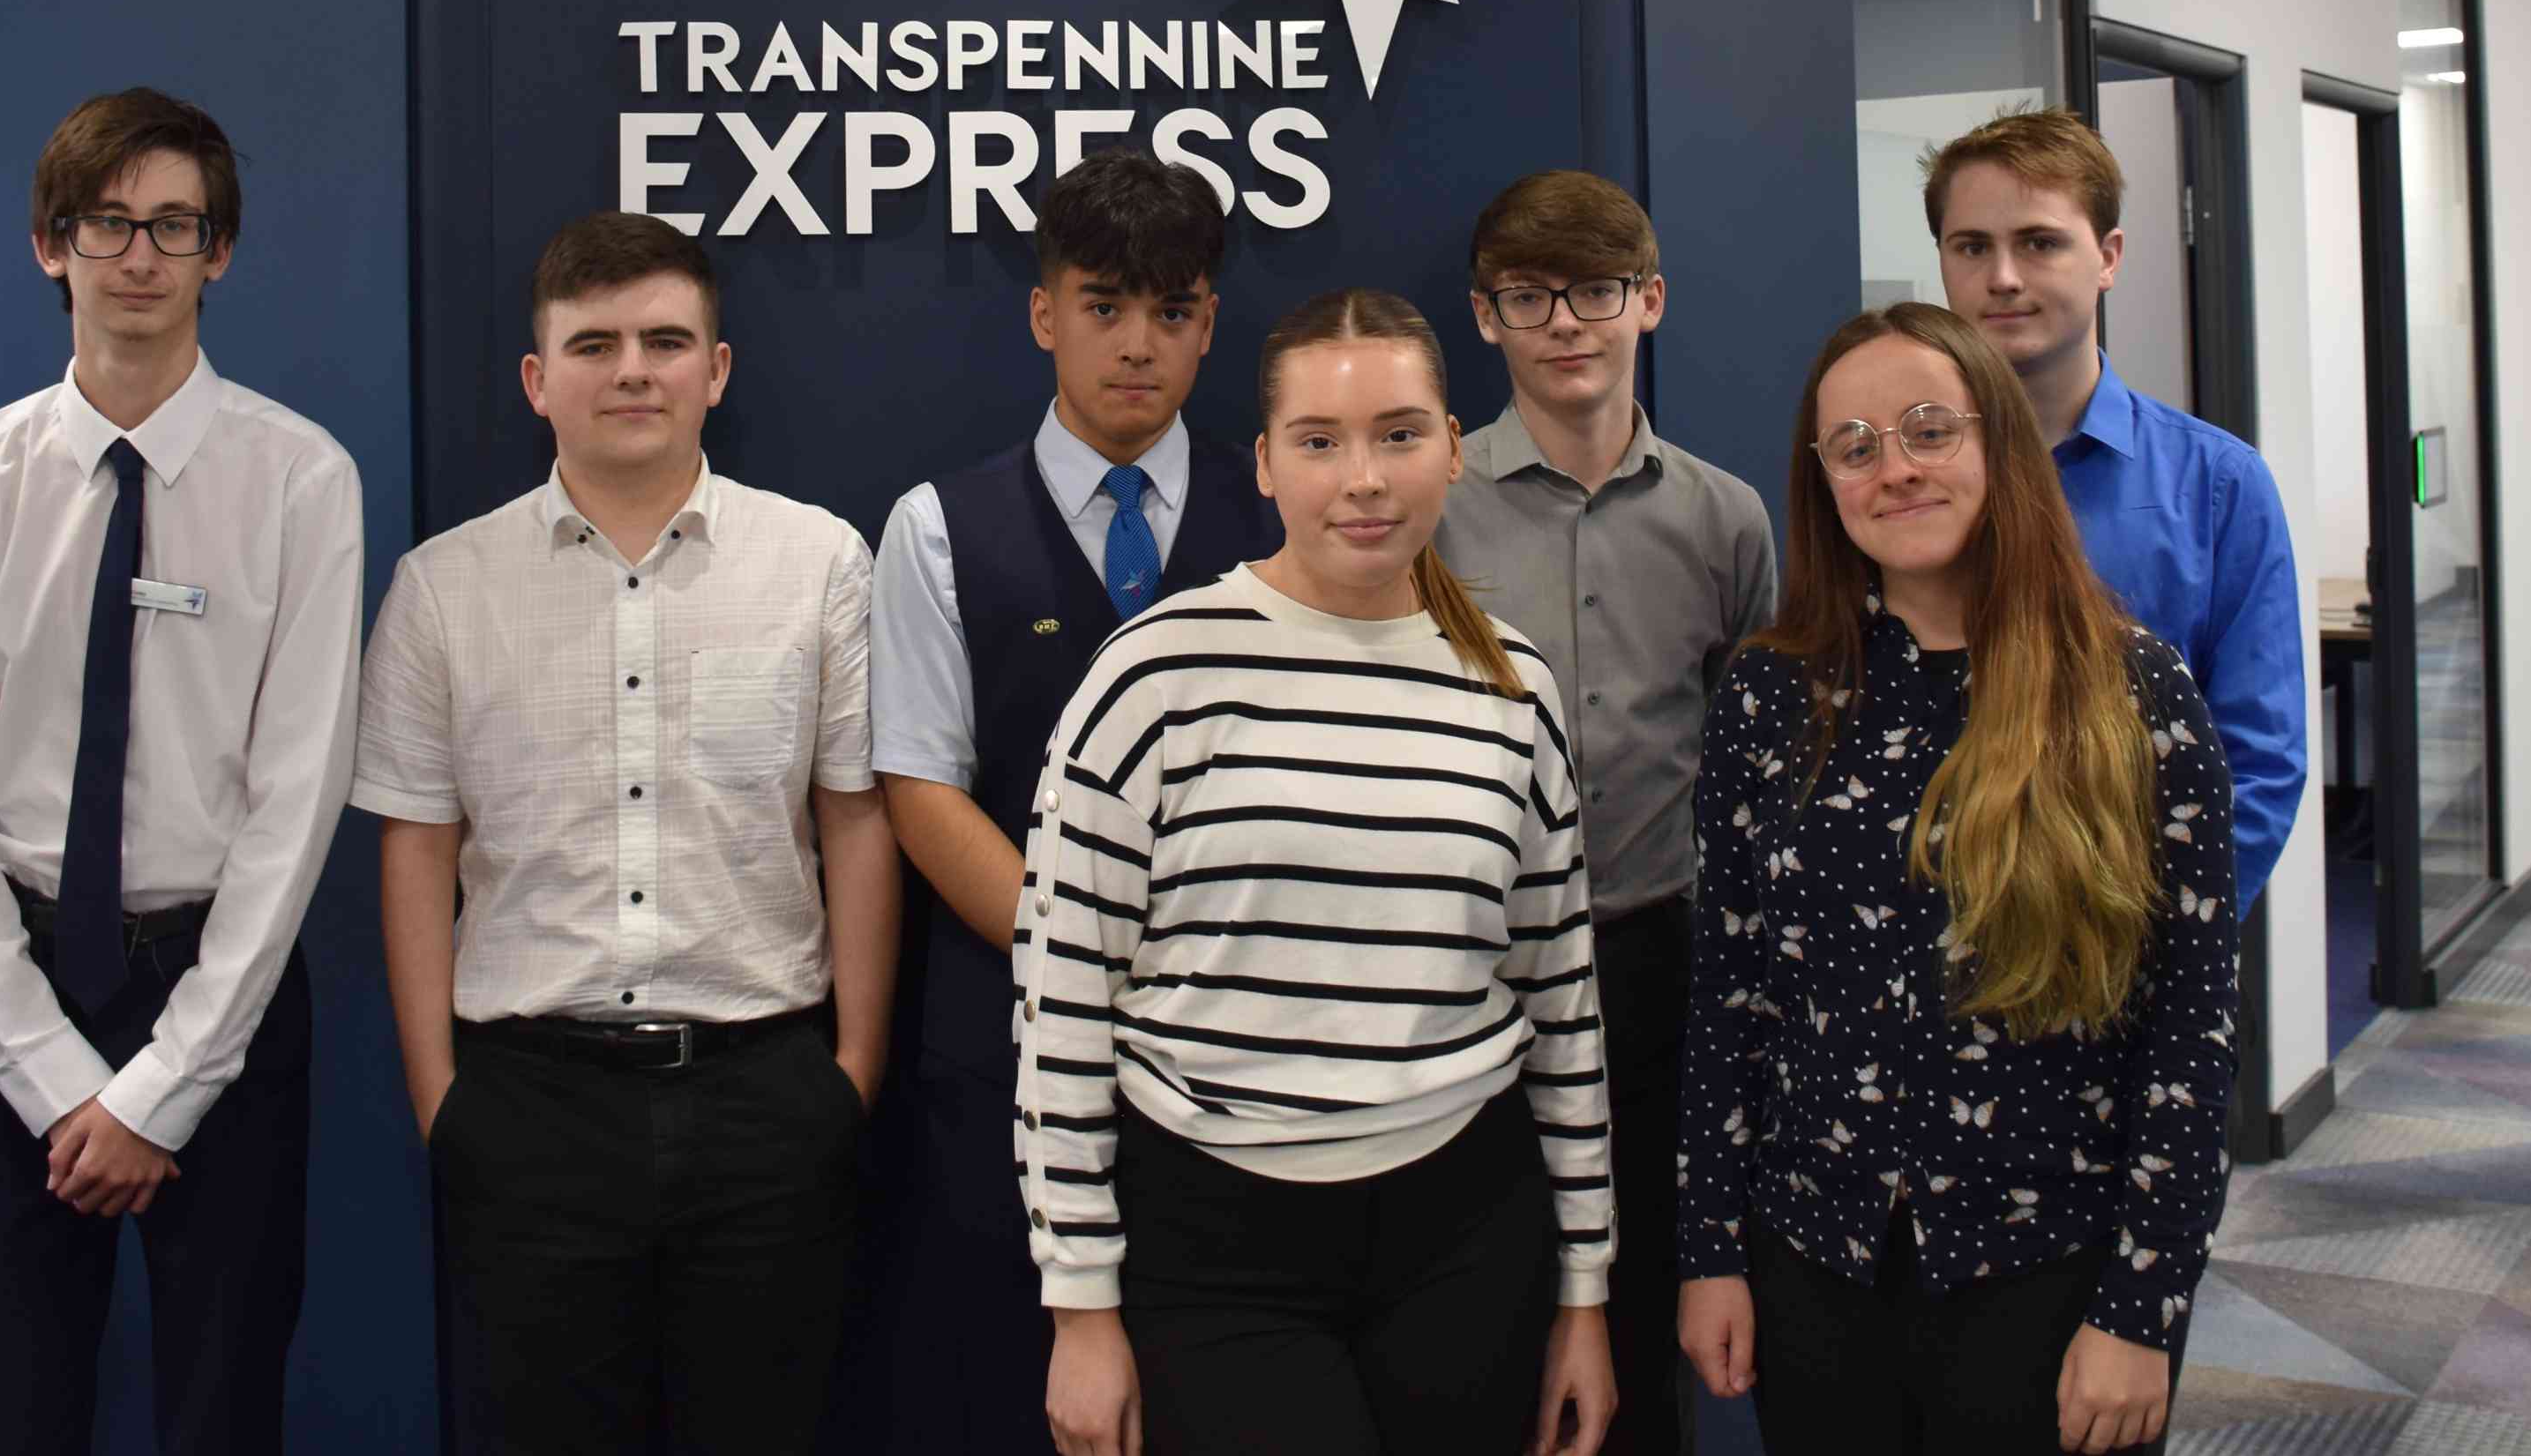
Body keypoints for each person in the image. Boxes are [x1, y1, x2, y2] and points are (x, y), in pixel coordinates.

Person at [1015, 288, 1618, 1456]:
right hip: (1215, 1239)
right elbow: (1062, 1001)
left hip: (1465, 1233)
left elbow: (1563, 1002)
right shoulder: (1152, 675)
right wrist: (1078, 1306)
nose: (1363, 478)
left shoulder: (1511, 686)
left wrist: (1583, 1290)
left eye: (1398, 434)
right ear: (1262, 464)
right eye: (1319, 440)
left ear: (1452, 449)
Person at [354, 212, 898, 1452]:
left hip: (767, 1098)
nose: (633, 369)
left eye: (666, 339)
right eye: (593, 344)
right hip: (527, 1105)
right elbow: (416, 848)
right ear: (540, 381)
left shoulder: (818, 560)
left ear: (717, 369)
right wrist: (440, 1096)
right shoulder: (443, 585)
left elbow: (854, 821)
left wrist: (850, 1069)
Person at [0, 87, 364, 1452]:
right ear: (52, 244)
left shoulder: (300, 482)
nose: (141, 254)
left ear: (221, 253)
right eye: (109, 222)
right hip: (12, 997)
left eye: (175, 224)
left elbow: (295, 802)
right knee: (18, 1407)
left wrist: (163, 1087)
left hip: (222, 996)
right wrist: (54, 1080)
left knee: (225, 1406)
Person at [1675, 302, 2235, 1455]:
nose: (1895, 467)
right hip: (1813, 1259)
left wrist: (2142, 1304)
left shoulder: (2131, 691)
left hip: (2044, 1262)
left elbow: (2188, 1030)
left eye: (1929, 428)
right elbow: (1728, 997)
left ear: (1996, 446)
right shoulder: (1772, 695)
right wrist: (1709, 1251)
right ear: (1822, 479)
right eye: (1856, 444)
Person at [869, 150, 1281, 1452]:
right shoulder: (936, 526)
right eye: (1102, 305)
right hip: (1006, 1048)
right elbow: (922, 790)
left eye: (1171, 313)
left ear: (1209, 323)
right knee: (1015, 1398)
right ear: (1044, 312)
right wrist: (1093, 958)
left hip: (1241, 1052)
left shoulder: (1284, 506)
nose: (1137, 345)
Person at [1437, 169, 1775, 1452]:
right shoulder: (1428, 500)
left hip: (1656, 962)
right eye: (1526, 297)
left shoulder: (1723, 516)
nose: (1563, 323)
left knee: (1635, 1317)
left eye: (1593, 291)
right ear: (1483, 318)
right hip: (1468, 966)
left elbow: (1749, 761)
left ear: (1650, 300)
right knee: (1479, 1309)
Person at [1928, 109, 2303, 919]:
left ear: (2107, 257)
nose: (2002, 277)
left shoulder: (2217, 485)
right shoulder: (1898, 475)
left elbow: (2260, 757)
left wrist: (2162, 947)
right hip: (1913, 946)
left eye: (2039, 242)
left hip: (2132, 945)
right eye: (1971, 247)